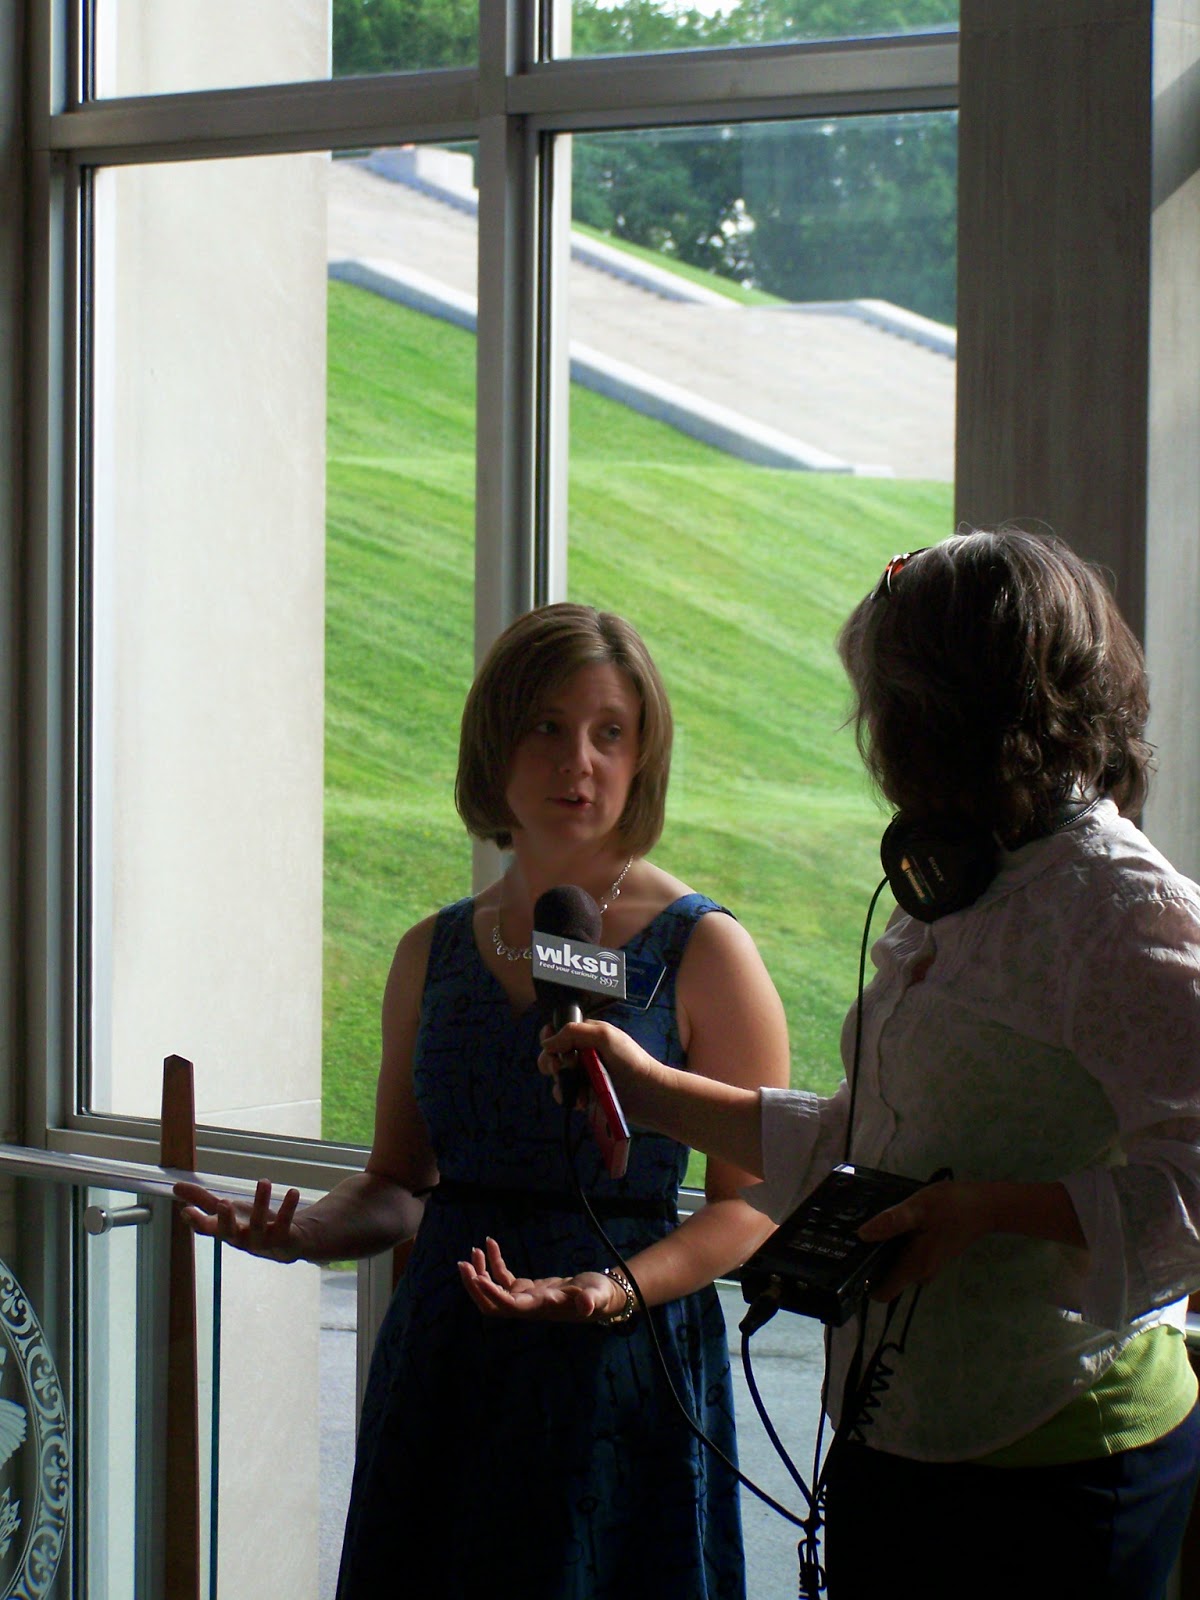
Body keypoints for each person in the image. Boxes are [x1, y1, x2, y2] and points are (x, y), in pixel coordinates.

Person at [487, 532, 1200, 1599]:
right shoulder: (963, 889)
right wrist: (648, 1088)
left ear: (949, 709)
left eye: (884, 701)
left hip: (1063, 1468)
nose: (871, 732)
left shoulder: (1127, 914)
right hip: (898, 1441)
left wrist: (988, 1211)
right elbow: (862, 1138)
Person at [174, 602, 789, 1600]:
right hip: (450, 1365)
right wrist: (310, 1231)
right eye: (546, 726)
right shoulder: (435, 949)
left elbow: (748, 1206)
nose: (577, 762)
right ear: (493, 743)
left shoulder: (705, 949)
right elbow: (397, 1184)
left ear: (644, 756)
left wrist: (612, 1289)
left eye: (609, 732)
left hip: (616, 1368)